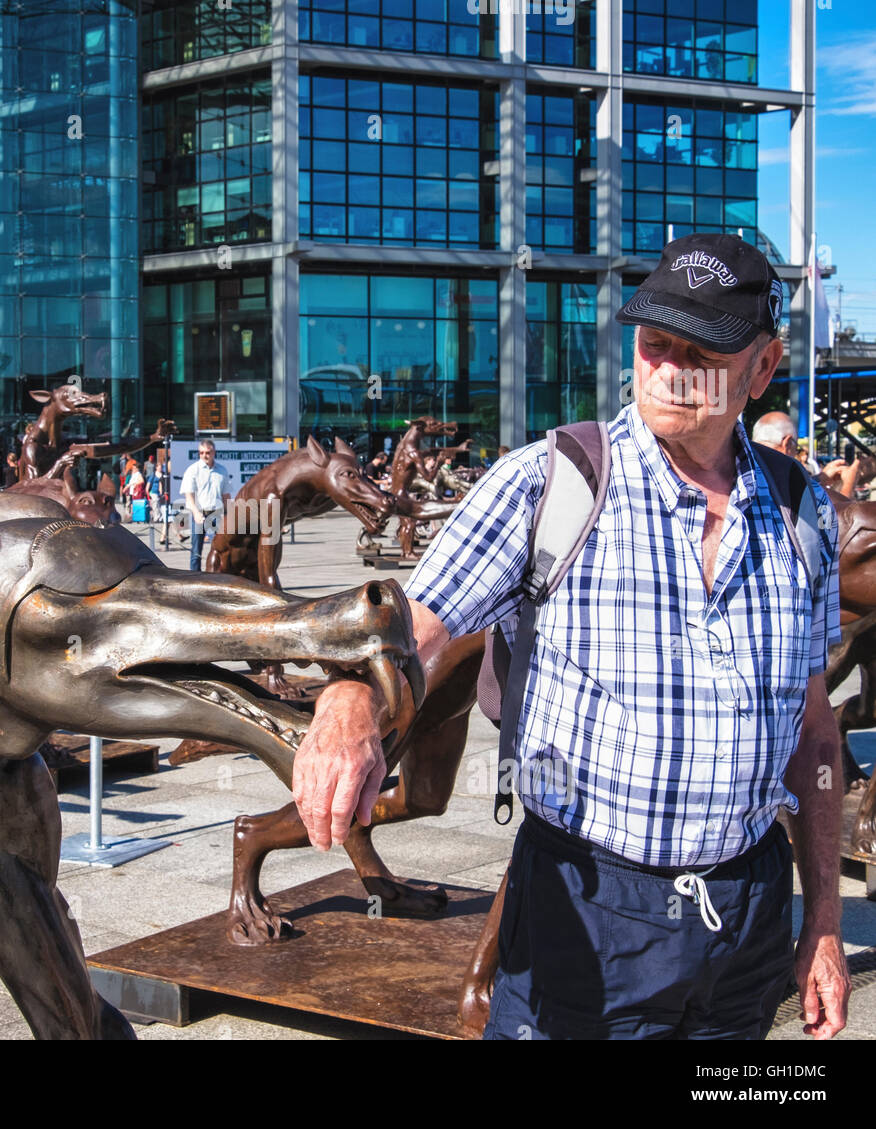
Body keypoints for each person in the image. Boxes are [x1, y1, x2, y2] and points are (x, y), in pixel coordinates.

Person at [290, 233, 850, 1040]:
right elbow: (410, 631)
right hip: (588, 911)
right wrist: (346, 699)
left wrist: (823, 920)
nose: (667, 368)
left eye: (703, 350)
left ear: (763, 369)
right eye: (655, 341)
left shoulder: (802, 514)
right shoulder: (551, 483)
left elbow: (814, 731)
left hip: (749, 916)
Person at [753, 412, 859, 497]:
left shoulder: (747, 470)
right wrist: (849, 484)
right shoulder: (779, 476)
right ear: (788, 443)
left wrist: (821, 478)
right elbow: (835, 519)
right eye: (797, 448)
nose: (797, 453)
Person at [181, 439, 229, 570]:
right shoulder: (192, 470)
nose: (204, 456)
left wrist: (228, 515)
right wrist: (196, 513)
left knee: (219, 548)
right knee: (196, 551)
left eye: (207, 452)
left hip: (216, 514)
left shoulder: (222, 471)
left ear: (214, 452)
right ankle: (194, 577)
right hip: (199, 513)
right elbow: (188, 495)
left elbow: (226, 496)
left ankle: (218, 575)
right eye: (201, 453)